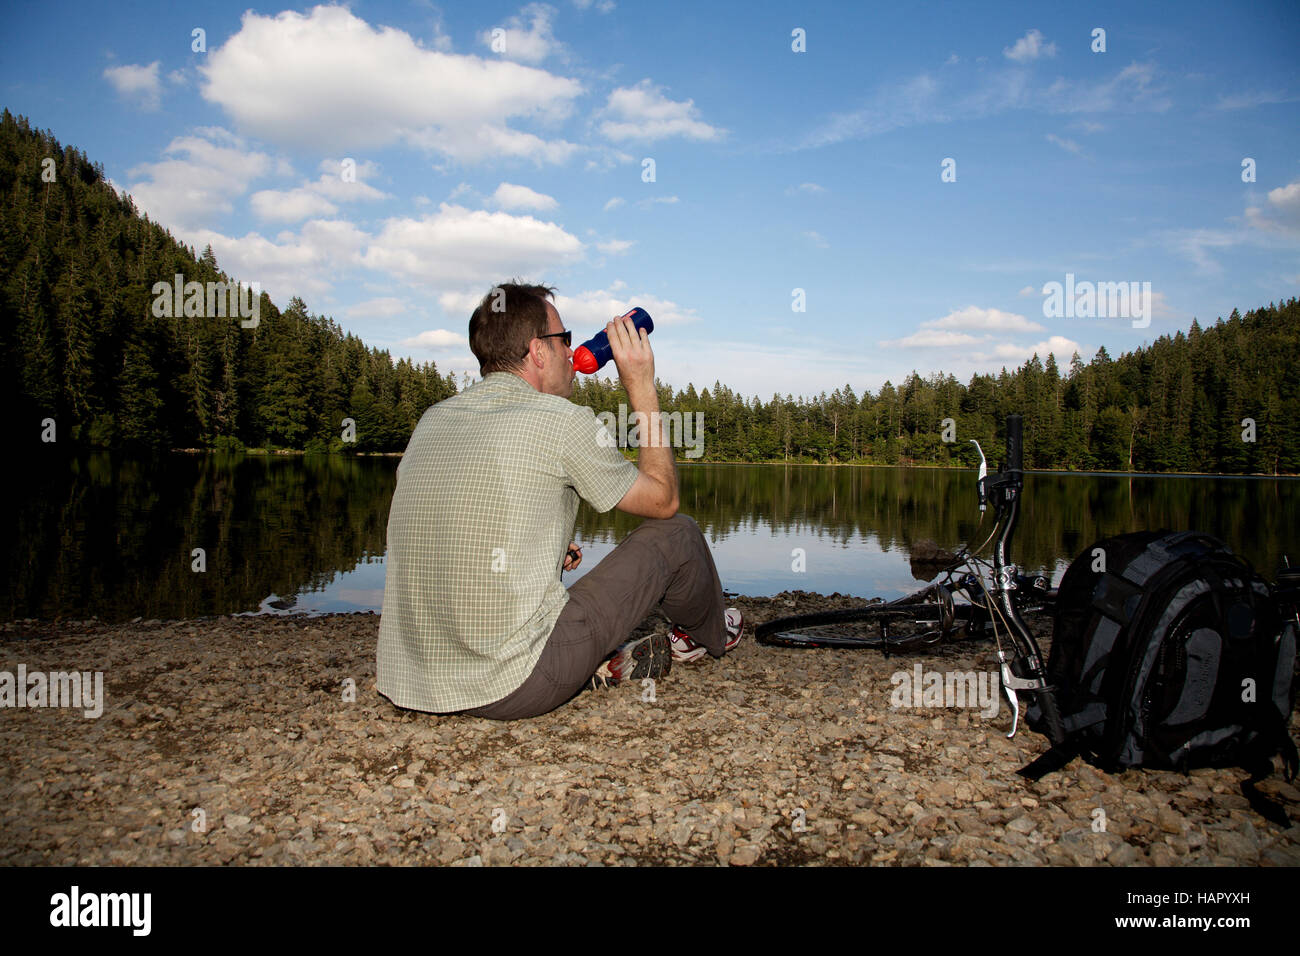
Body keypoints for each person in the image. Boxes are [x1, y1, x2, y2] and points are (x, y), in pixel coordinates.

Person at [376, 282, 742, 720]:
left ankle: (598, 659)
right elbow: (662, 499)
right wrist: (642, 387)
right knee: (676, 532)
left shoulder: (432, 420)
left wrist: (537, 549)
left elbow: (442, 523)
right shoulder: (561, 420)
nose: (573, 352)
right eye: (565, 339)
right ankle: (710, 634)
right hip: (509, 685)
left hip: (409, 680)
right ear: (538, 352)